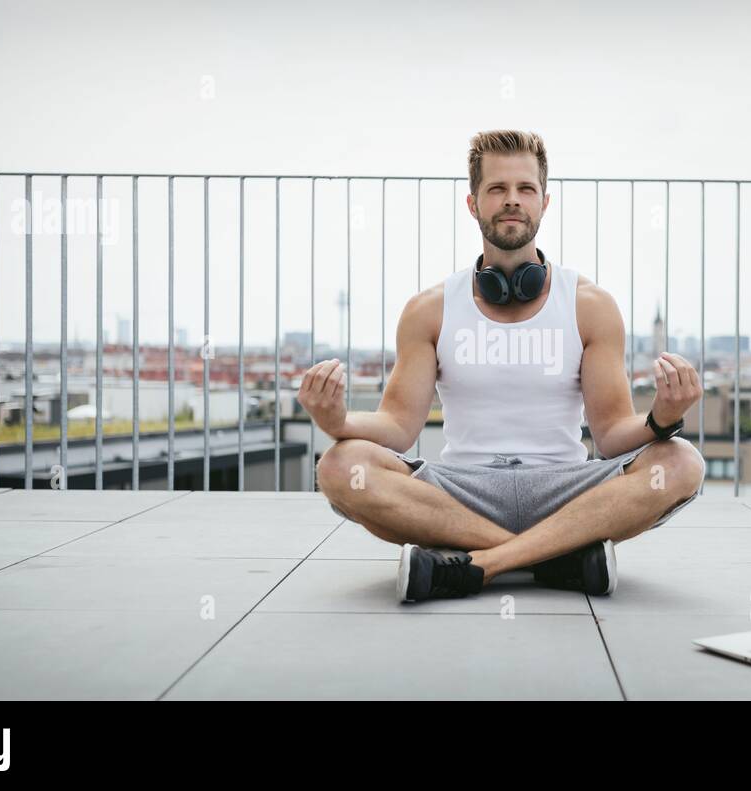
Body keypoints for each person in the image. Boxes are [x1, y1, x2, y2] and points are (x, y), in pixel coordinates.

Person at [299, 129, 706, 603]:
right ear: (472, 203)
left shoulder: (590, 305)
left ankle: (479, 564)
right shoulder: (428, 309)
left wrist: (664, 416)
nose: (512, 201)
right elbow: (397, 426)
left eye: (525, 189)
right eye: (497, 189)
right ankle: (554, 557)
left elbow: (613, 434)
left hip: (565, 489)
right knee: (339, 466)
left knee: (679, 462)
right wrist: (337, 421)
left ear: (544, 202)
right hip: (459, 491)